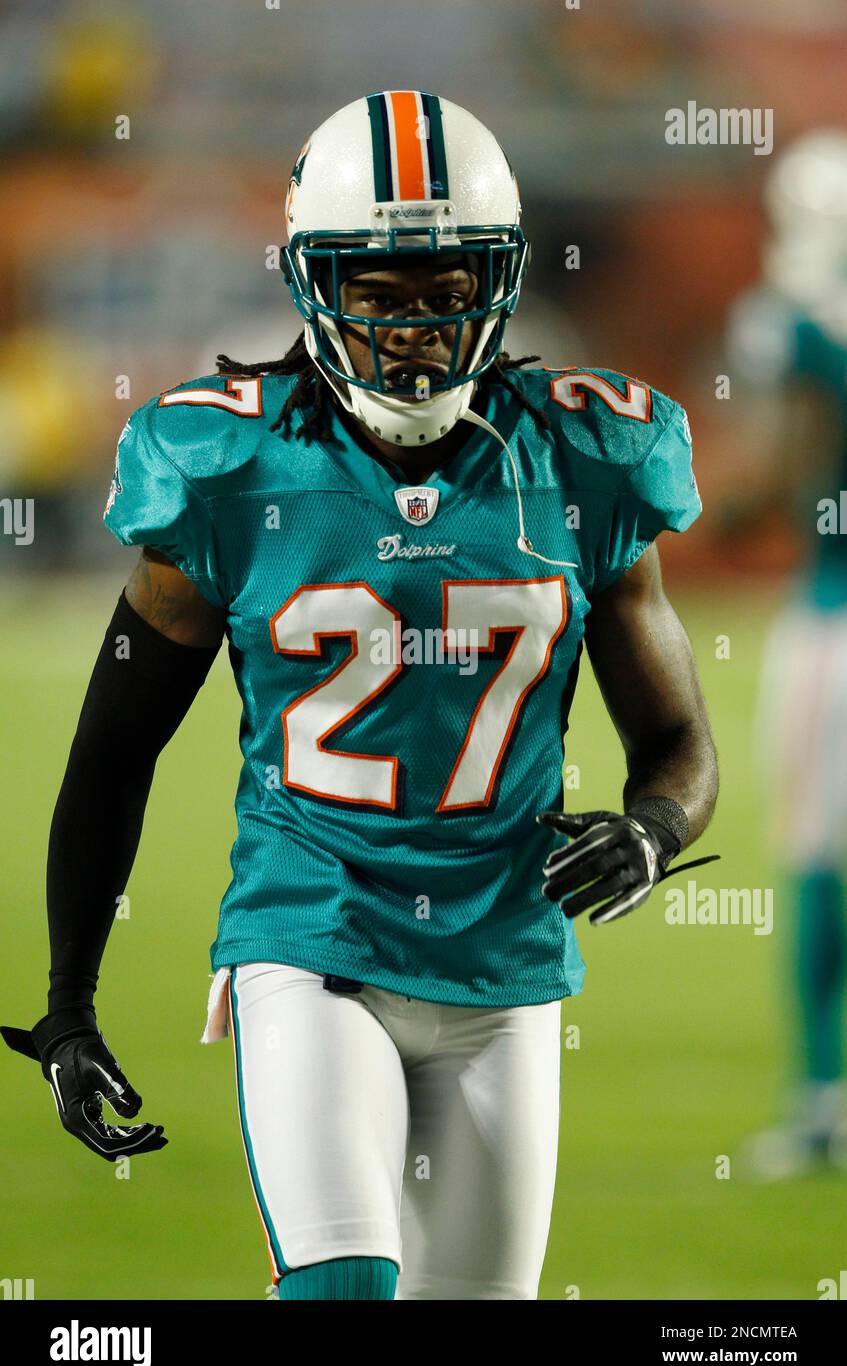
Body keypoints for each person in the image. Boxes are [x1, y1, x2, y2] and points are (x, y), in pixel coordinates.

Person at [3, 90, 717, 1300]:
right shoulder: (229, 472)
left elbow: (676, 739)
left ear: (500, 279)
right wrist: (69, 1002)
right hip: (312, 938)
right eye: (376, 292)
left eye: (445, 289)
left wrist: (651, 832)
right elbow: (112, 751)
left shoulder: (586, 462)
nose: (416, 332)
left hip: (505, 965)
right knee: (343, 1290)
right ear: (308, 284)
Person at [726, 131, 847, 1179]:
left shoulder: (798, 327)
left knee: (815, 856)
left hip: (833, 620)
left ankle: (820, 1095)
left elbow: (772, 480)